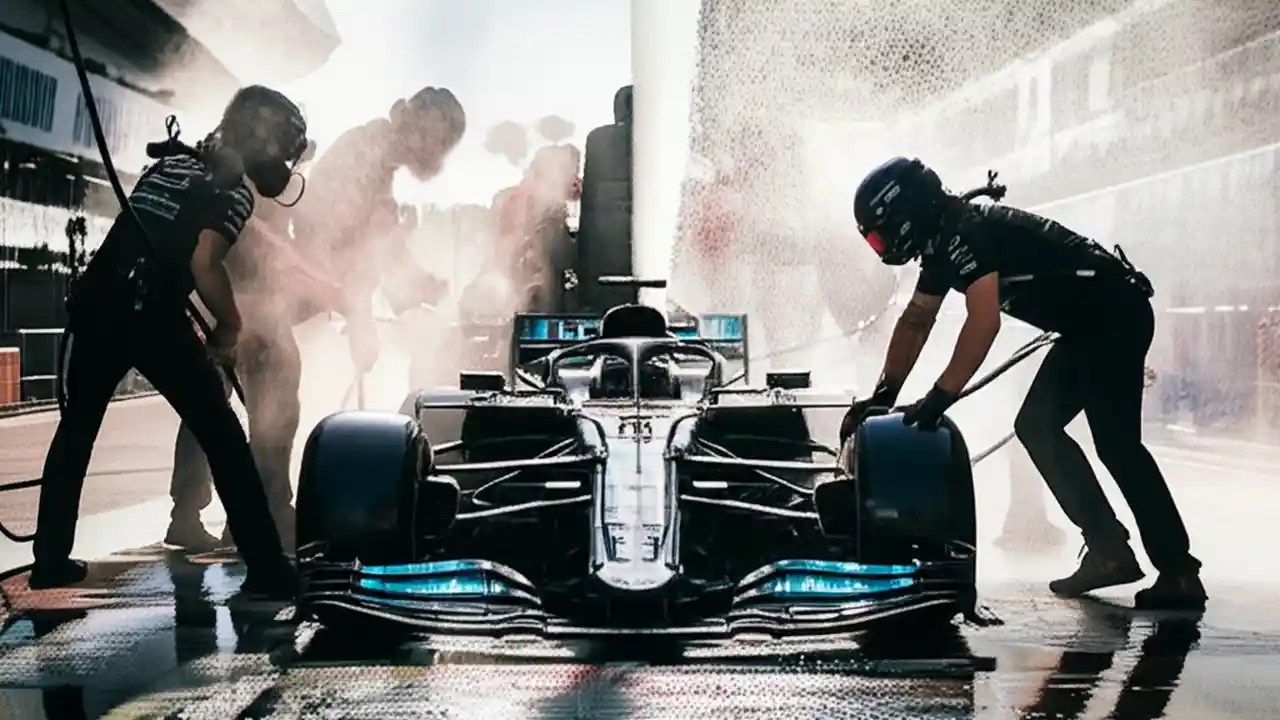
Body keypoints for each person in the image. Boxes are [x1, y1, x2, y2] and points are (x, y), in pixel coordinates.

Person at [839, 156, 1206, 610]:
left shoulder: (966, 232)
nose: (882, 247)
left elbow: (984, 321)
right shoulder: (942, 241)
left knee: (1115, 445)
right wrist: (883, 397)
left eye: (880, 235)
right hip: (1092, 324)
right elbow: (916, 320)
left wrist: (939, 398)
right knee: (1038, 425)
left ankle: (1176, 571)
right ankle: (1111, 549)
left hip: (1114, 315)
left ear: (904, 214)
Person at [29, 85, 306, 595]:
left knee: (76, 434)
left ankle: (48, 561)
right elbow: (205, 261)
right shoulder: (235, 189)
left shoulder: (171, 166)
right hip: (149, 312)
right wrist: (230, 325)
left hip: (97, 306)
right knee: (224, 437)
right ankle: (267, 567)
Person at [163, 86, 464, 553]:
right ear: (425, 130)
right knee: (274, 390)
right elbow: (344, 235)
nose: (440, 155)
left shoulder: (374, 157)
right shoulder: (366, 153)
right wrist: (352, 299)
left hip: (241, 275)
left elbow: (376, 243)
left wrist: (405, 288)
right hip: (253, 279)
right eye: (441, 142)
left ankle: (194, 511)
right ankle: (262, 516)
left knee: (214, 397)